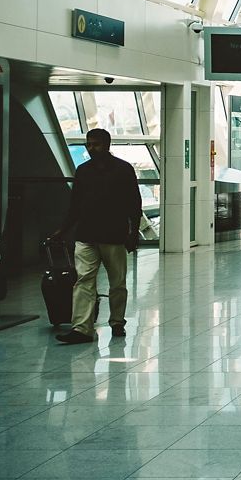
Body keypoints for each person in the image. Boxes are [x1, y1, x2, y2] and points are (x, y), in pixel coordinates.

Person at [54, 128, 141, 344]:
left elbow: (134, 204)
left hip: (114, 236)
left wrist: (133, 234)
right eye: (88, 144)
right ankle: (82, 328)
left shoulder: (123, 169)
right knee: (83, 280)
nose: (91, 148)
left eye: (96, 144)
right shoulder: (83, 171)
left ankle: (117, 321)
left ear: (107, 145)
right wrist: (63, 230)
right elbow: (75, 205)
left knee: (117, 283)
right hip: (86, 235)